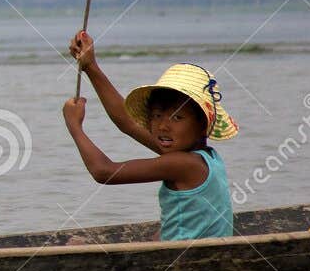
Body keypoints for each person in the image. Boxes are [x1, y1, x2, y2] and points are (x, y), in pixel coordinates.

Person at [63, 31, 239, 240]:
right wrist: (91, 67)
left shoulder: (182, 163)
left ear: (203, 126)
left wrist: (75, 127)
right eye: (156, 115)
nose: (163, 126)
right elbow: (127, 122)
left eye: (177, 118)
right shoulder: (203, 157)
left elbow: (103, 172)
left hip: (181, 262)